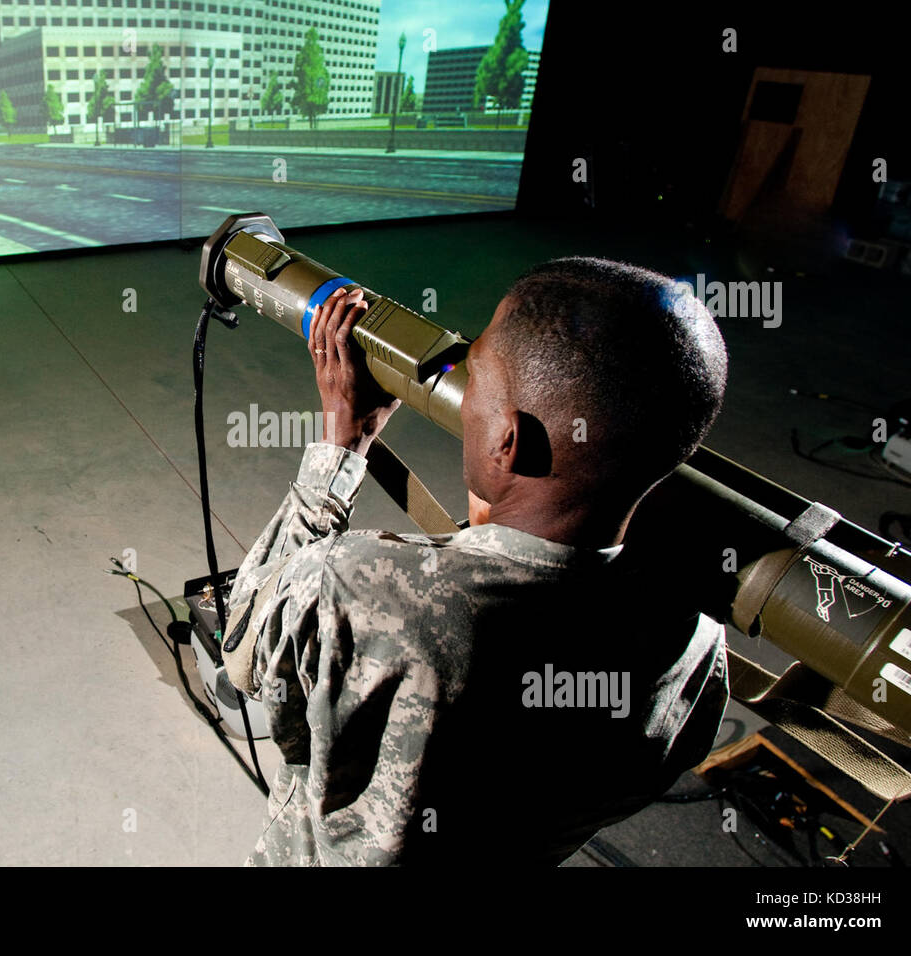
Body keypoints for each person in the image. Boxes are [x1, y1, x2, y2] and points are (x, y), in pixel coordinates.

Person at [222, 257, 730, 865]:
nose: (460, 392)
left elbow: (246, 651)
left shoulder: (351, 584)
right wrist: (496, 518)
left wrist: (340, 448)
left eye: (476, 374)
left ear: (508, 440)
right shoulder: (696, 642)